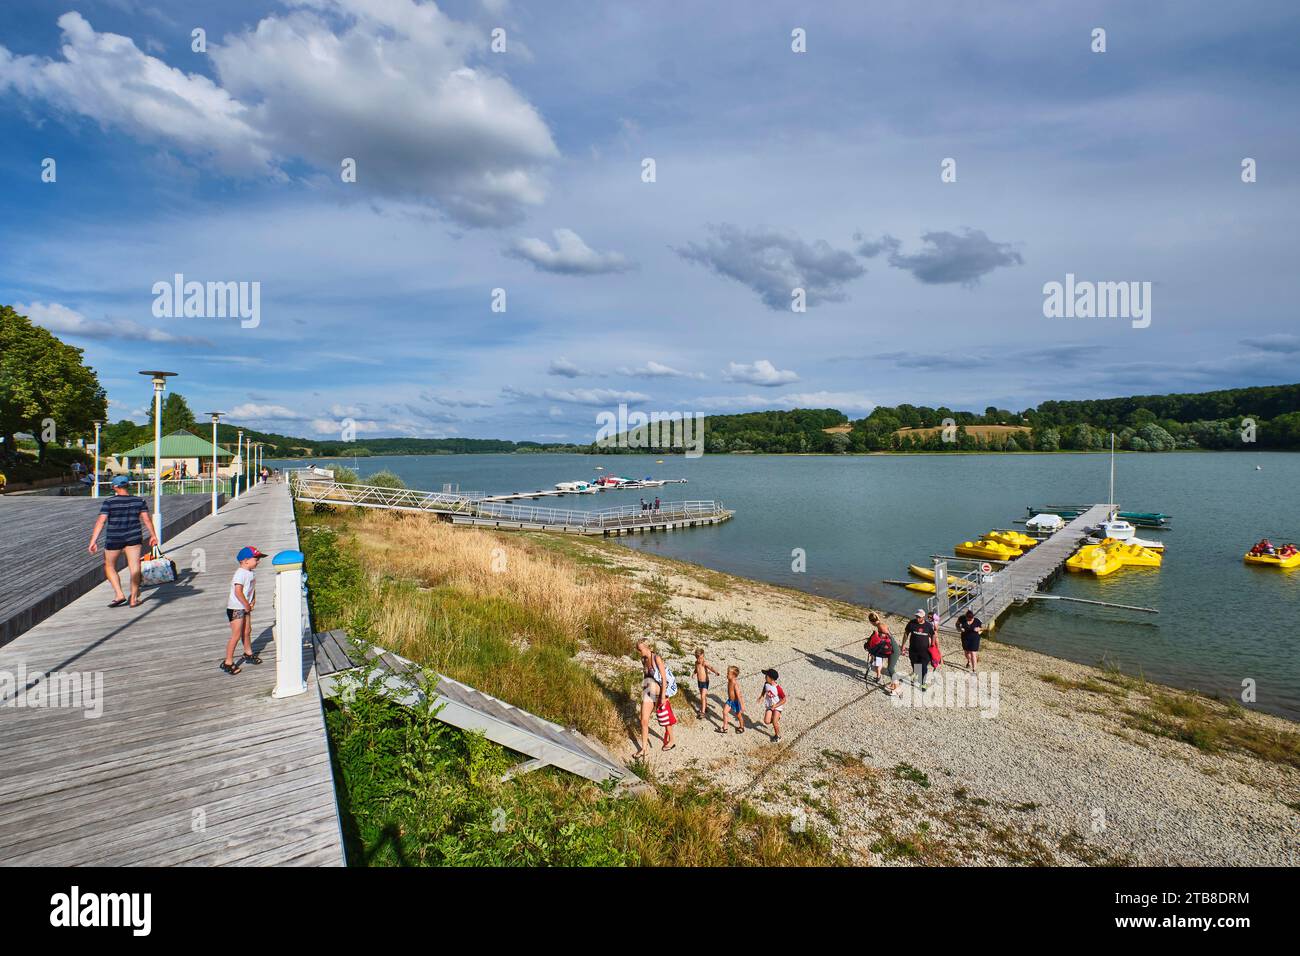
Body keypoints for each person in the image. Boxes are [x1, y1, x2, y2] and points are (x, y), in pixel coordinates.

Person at [87, 475, 159, 608]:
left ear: (114, 487)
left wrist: (93, 541)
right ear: (128, 486)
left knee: (109, 566)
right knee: (135, 566)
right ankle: (134, 598)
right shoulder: (139, 501)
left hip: (114, 538)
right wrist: (153, 535)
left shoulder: (109, 502)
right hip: (133, 537)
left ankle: (119, 594)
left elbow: (101, 521)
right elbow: (146, 520)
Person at [221, 546, 267, 675]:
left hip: (245, 606)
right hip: (236, 608)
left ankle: (248, 653)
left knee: (247, 631)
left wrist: (253, 600)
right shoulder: (240, 573)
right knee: (236, 635)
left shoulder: (251, 572)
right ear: (245, 560)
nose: (258, 561)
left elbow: (251, 588)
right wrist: (246, 604)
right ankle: (228, 662)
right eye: (256, 559)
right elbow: (238, 592)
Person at [635, 640, 676, 757]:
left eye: (640, 649)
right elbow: (645, 676)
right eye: (638, 650)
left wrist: (663, 697)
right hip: (648, 692)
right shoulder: (643, 660)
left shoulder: (656, 658)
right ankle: (644, 749)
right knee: (643, 720)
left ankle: (672, 740)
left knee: (665, 718)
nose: (638, 652)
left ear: (647, 647)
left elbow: (663, 678)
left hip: (660, 692)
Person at [900, 608, 936, 690]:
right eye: (916, 616)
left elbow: (933, 634)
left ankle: (923, 683)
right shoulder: (911, 623)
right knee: (915, 665)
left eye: (919, 617)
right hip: (913, 650)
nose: (917, 618)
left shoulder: (928, 625)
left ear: (923, 617)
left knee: (923, 667)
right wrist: (903, 645)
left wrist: (933, 644)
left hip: (925, 652)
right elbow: (906, 633)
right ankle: (916, 674)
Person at [759, 668, 786, 741]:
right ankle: (776, 718)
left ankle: (778, 736)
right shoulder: (766, 684)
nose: (765, 677)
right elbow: (764, 689)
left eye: (766, 676)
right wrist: (761, 696)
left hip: (777, 706)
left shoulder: (778, 688)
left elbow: (784, 699)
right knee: (766, 721)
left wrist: (776, 706)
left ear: (771, 678)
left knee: (774, 722)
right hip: (770, 706)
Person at [694, 648, 721, 718]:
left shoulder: (704, 663)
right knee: (703, 696)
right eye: (699, 658)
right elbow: (696, 669)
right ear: (696, 658)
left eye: (702, 658)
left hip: (705, 682)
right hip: (699, 682)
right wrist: (694, 673)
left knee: (703, 696)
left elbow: (710, 667)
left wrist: (715, 672)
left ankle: (702, 712)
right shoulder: (696, 663)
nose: (700, 660)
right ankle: (705, 707)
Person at [718, 665, 746, 734]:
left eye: (728, 673)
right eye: (727, 673)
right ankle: (725, 727)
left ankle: (742, 727)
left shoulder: (734, 683)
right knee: (724, 712)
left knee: (738, 715)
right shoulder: (729, 680)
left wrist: (742, 705)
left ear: (733, 675)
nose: (726, 675)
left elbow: (739, 695)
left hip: (736, 702)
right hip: (730, 701)